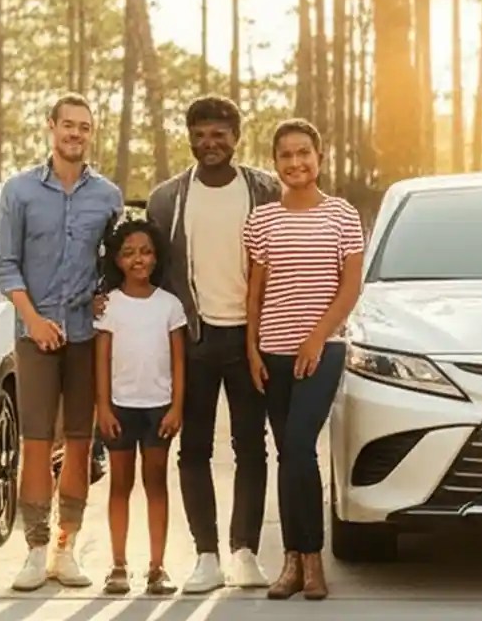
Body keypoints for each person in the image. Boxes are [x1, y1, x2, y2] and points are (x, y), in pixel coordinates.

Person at [145, 94, 282, 593]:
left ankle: (244, 550)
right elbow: (147, 268)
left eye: (219, 134)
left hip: (251, 340)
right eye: (200, 135)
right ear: (190, 138)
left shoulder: (266, 191)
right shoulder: (167, 199)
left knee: (251, 446)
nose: (210, 144)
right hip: (195, 340)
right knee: (194, 448)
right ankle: (206, 555)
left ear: (236, 138)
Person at [0, 93, 124, 592]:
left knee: (78, 445)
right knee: (34, 445)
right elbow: (7, 265)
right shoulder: (20, 191)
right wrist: (34, 319)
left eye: (84, 127)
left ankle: (65, 550)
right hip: (36, 337)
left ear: (92, 133)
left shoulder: (108, 196)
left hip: (86, 339)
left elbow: (112, 264)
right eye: (67, 125)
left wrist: (101, 295)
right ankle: (33, 549)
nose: (75, 134)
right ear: (51, 128)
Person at [242, 119, 364, 601]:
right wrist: (252, 350)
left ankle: (313, 561)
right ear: (275, 164)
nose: (295, 163)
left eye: (303, 153)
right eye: (286, 156)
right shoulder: (262, 220)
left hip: (323, 351)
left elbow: (349, 286)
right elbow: (255, 294)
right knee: (289, 455)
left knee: (297, 445)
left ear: (319, 157)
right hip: (271, 350)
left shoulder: (342, 215)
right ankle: (291, 562)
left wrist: (316, 339)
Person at [93, 218, 187, 596]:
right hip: (120, 408)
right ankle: (118, 564)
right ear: (116, 259)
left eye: (146, 252)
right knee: (120, 484)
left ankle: (157, 566)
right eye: (129, 253)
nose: (138, 259)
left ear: (157, 257)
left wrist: (176, 406)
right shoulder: (109, 306)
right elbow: (101, 360)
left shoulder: (169, 305)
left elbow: (180, 361)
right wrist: (103, 408)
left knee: (156, 484)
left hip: (158, 410)